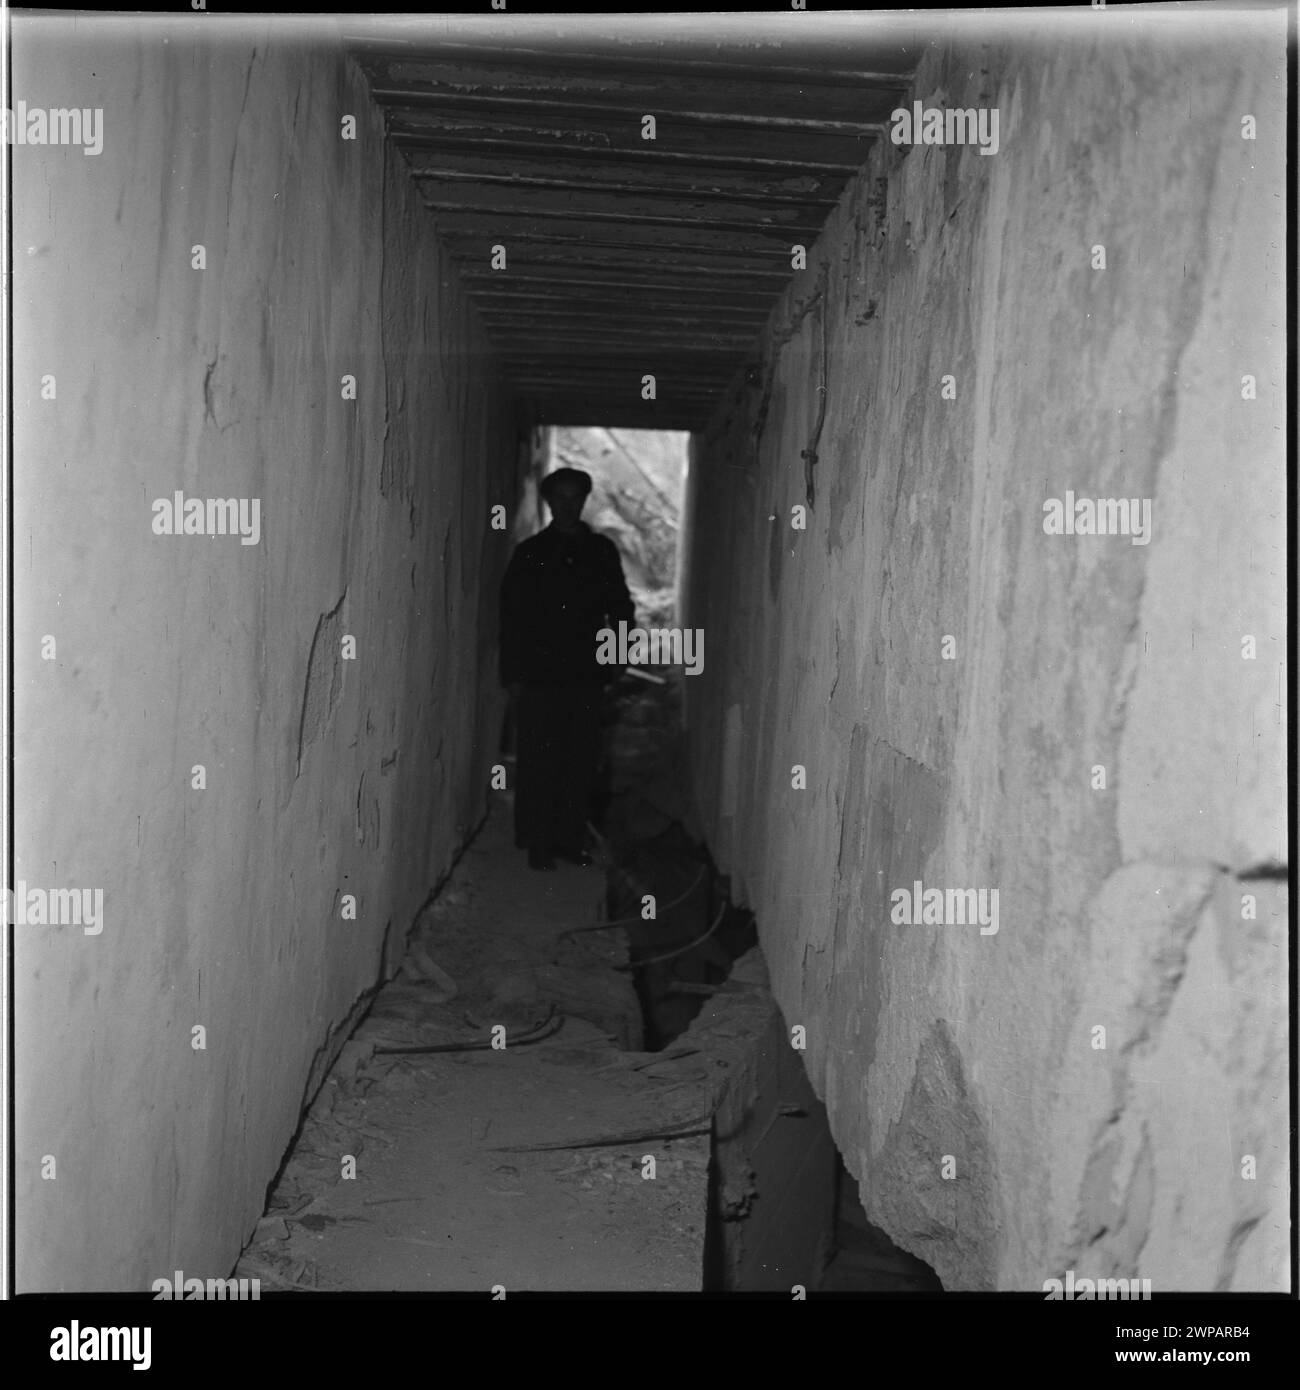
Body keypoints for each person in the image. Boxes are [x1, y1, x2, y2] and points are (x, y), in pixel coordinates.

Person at [499, 467, 635, 870]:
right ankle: (539, 843)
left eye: (575, 496)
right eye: (560, 496)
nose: (568, 504)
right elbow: (511, 617)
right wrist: (512, 674)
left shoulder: (602, 552)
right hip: (539, 676)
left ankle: (571, 839)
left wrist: (617, 660)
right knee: (539, 759)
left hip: (585, 675)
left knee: (579, 759)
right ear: (549, 501)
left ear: (584, 500)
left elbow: (621, 608)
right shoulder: (529, 554)